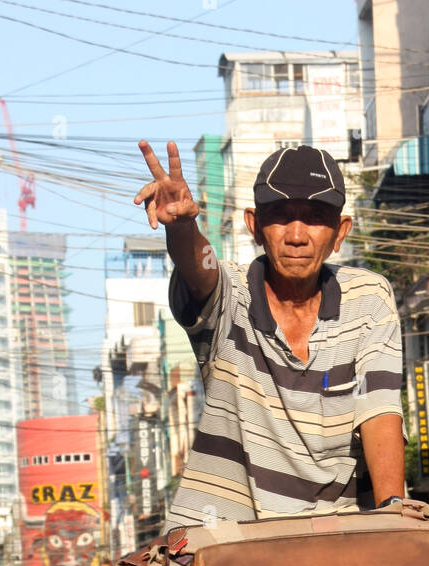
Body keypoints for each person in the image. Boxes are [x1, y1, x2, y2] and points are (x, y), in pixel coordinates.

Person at [133, 140, 406, 525]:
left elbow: (379, 413)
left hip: (337, 537)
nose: (297, 235)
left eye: (315, 217)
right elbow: (200, 271)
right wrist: (183, 228)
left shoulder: (368, 298)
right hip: (224, 540)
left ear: (340, 232)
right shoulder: (231, 296)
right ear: (255, 227)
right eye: (280, 216)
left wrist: (397, 523)